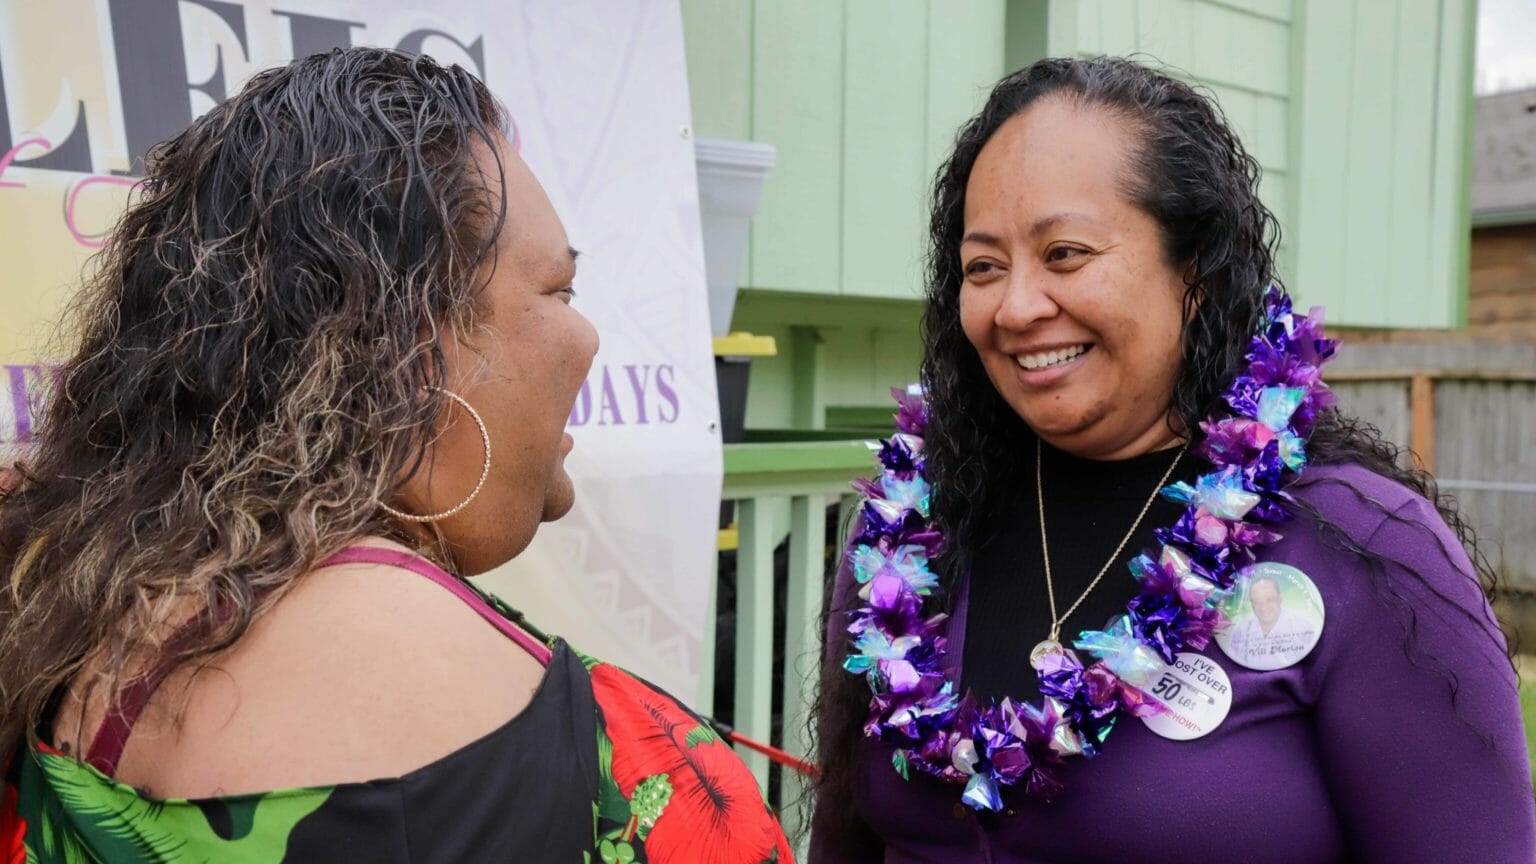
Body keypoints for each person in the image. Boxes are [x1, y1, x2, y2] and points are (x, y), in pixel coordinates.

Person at [0, 48, 790, 862]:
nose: (587, 339)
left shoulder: (74, 625)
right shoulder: (594, 760)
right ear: (410, 347)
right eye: (559, 291)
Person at [809, 57, 1534, 862]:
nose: (1015, 307)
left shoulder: (1366, 550)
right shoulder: (911, 533)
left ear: (1194, 272)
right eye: (983, 267)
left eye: (1066, 253)